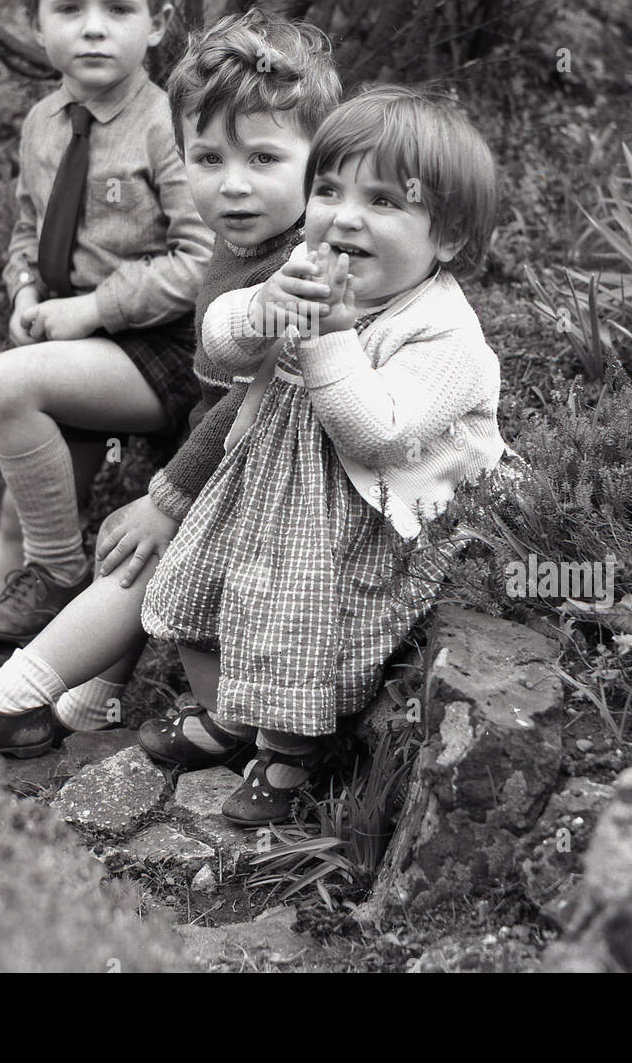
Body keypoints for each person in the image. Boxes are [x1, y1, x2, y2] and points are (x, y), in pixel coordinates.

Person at [0, 10, 341, 751]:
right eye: (208, 158)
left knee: (148, 543)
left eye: (263, 160)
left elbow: (254, 408)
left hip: (287, 481)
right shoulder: (238, 243)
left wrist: (170, 496)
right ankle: (88, 704)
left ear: (319, 162)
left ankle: (13, 700)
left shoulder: (298, 271)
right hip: (228, 448)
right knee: (129, 539)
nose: (233, 186)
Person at [137, 85, 513, 826]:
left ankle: (289, 751)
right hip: (274, 484)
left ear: (449, 238)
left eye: (382, 202)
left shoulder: (446, 336)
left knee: (296, 616)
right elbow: (215, 350)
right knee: (196, 585)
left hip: (371, 518)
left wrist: (332, 335)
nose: (344, 217)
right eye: (329, 190)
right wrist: (259, 307)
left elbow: (379, 435)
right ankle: (227, 714)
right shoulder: (305, 273)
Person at [0, 0, 214, 648]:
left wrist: (91, 309)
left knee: (5, 384)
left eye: (118, 8)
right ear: (37, 25)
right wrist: (27, 291)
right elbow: (26, 228)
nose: (94, 26)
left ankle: (64, 584)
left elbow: (200, 261)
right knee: (22, 516)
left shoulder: (169, 123)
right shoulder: (42, 123)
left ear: (158, 25)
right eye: (69, 8)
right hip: (77, 343)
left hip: (162, 351)